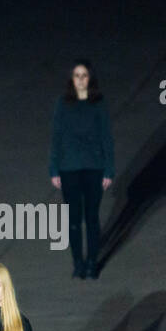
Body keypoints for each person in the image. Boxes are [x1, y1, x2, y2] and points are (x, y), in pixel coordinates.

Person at [49, 60, 114, 279]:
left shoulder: (98, 103)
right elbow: (56, 137)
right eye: (76, 75)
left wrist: (109, 170)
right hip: (69, 169)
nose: (80, 80)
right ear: (71, 79)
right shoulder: (63, 103)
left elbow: (106, 137)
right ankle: (78, 262)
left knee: (92, 218)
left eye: (84, 75)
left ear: (90, 79)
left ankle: (92, 263)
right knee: (74, 219)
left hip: (94, 167)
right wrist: (54, 169)